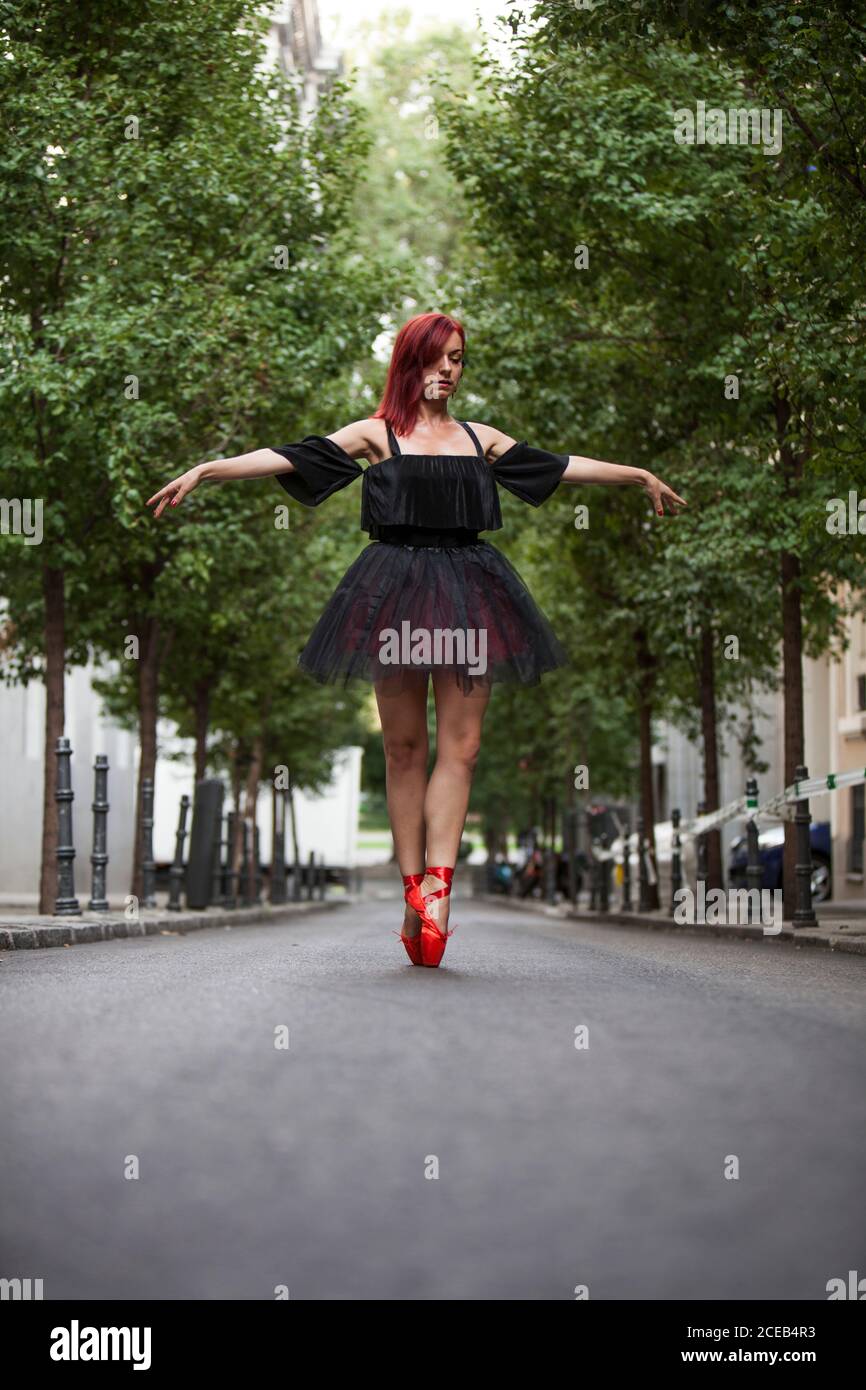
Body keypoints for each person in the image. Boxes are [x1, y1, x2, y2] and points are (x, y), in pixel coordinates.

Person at [146, 312, 686, 968]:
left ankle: (437, 891)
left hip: (471, 592)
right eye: (438, 359)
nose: (450, 371)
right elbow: (292, 456)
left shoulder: (478, 438)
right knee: (405, 749)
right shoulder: (377, 434)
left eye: (458, 359)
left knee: (465, 746)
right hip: (394, 590)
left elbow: (558, 466)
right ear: (411, 363)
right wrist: (209, 469)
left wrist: (634, 474)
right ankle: (412, 890)